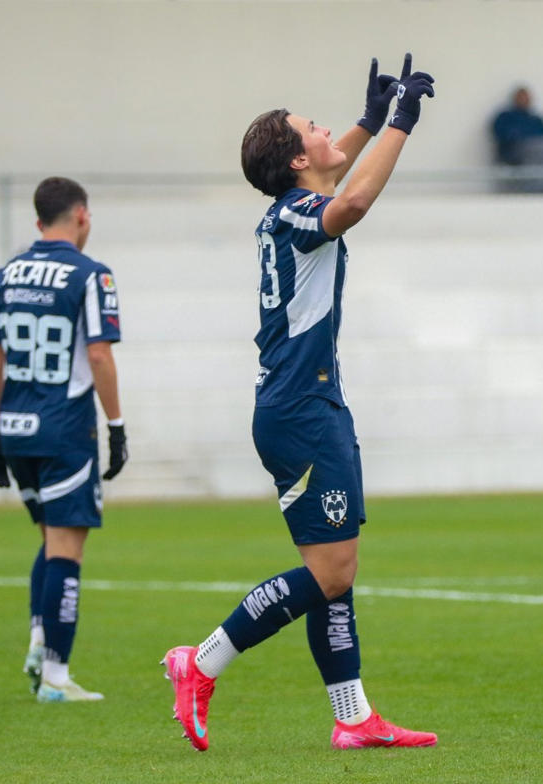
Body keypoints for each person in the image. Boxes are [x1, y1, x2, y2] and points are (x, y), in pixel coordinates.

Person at [161, 54, 438, 752]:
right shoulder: (302, 213)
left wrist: (370, 120)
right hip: (301, 413)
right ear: (294, 162)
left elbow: (332, 176)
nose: (327, 132)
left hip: (305, 407)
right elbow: (352, 202)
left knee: (335, 573)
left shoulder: (289, 208)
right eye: (313, 127)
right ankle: (202, 661)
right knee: (331, 572)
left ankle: (353, 717)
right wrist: (401, 122)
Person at [0, 176, 128, 703]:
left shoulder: (6, 274)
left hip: (16, 429)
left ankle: (38, 640)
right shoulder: (91, 275)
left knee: (49, 539)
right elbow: (98, 355)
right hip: (65, 428)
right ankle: (55, 677)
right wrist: (115, 426)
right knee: (68, 549)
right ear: (82, 216)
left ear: (37, 219)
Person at [492, 85, 543, 165]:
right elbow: (501, 134)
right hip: (511, 160)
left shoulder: (536, 120)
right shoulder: (505, 117)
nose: (523, 100)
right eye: (521, 97)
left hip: (536, 162)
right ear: (515, 99)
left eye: (526, 97)